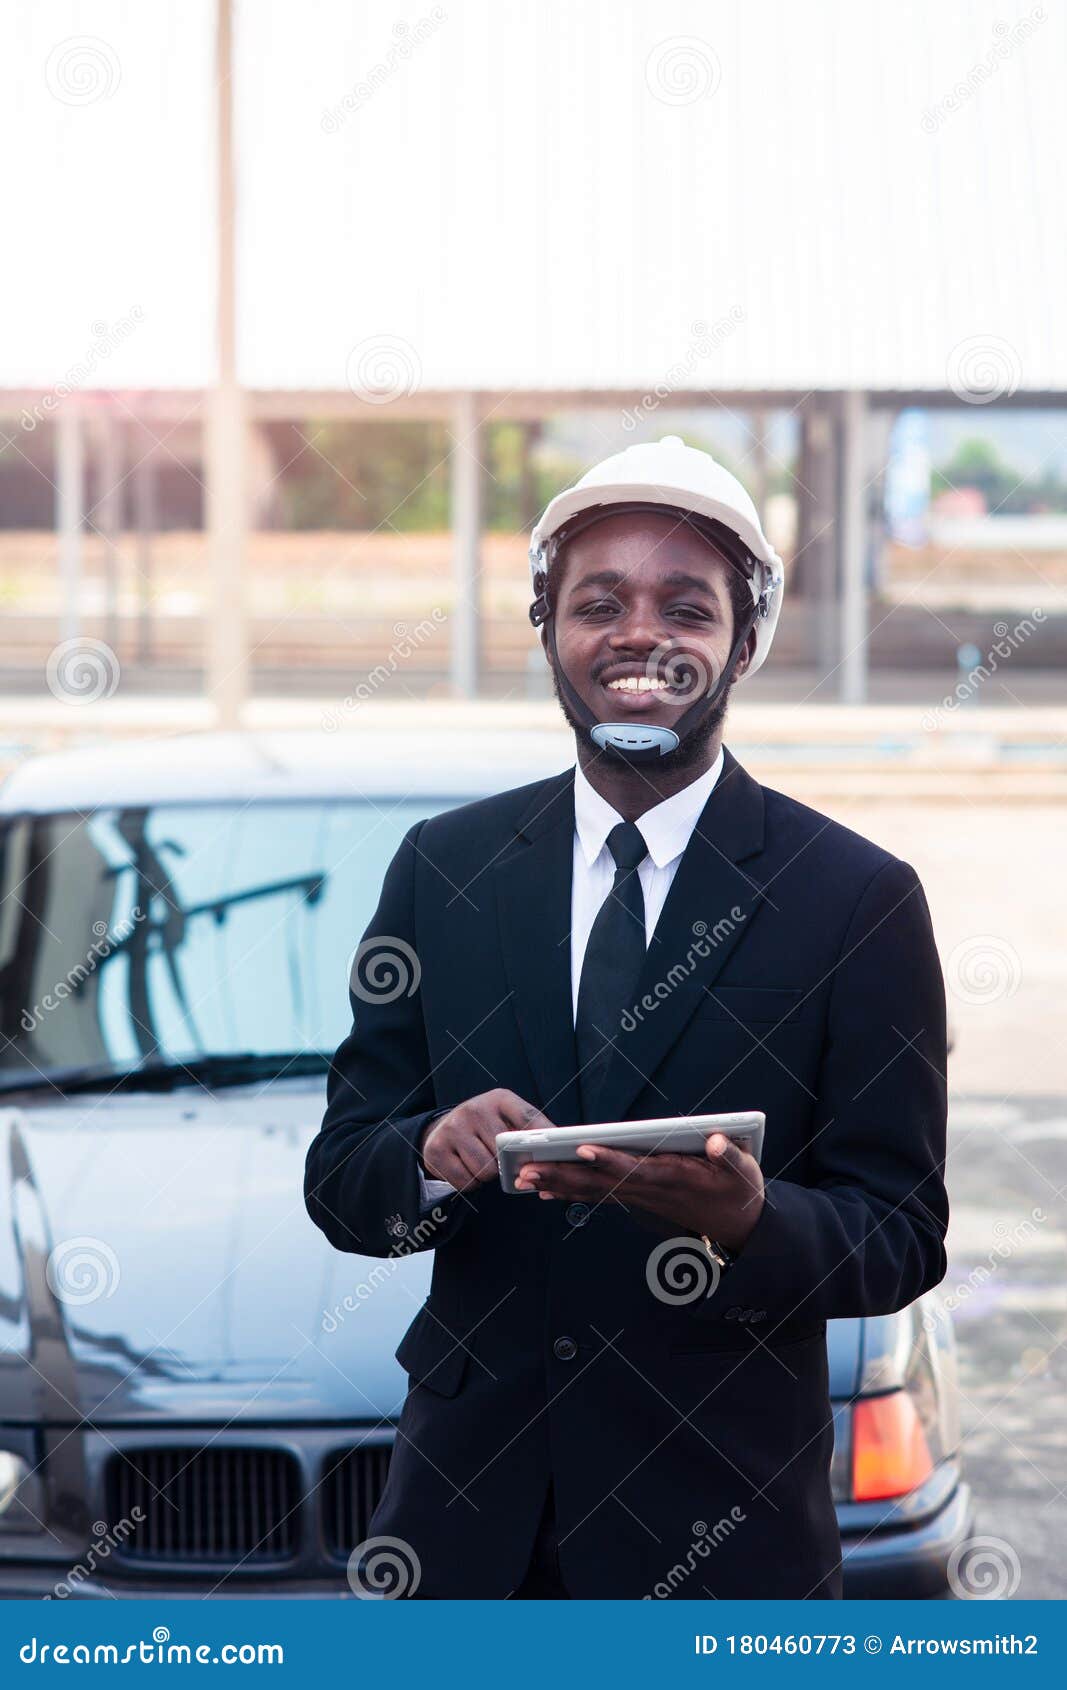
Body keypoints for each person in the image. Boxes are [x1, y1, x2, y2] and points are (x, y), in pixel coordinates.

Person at [304, 436, 949, 1600]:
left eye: (684, 607)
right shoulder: (443, 868)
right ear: (546, 631)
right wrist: (428, 1157)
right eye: (598, 603)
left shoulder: (855, 898)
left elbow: (900, 1230)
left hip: (719, 1538)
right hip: (464, 1533)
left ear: (741, 642)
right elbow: (341, 1173)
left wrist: (751, 1220)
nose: (638, 634)